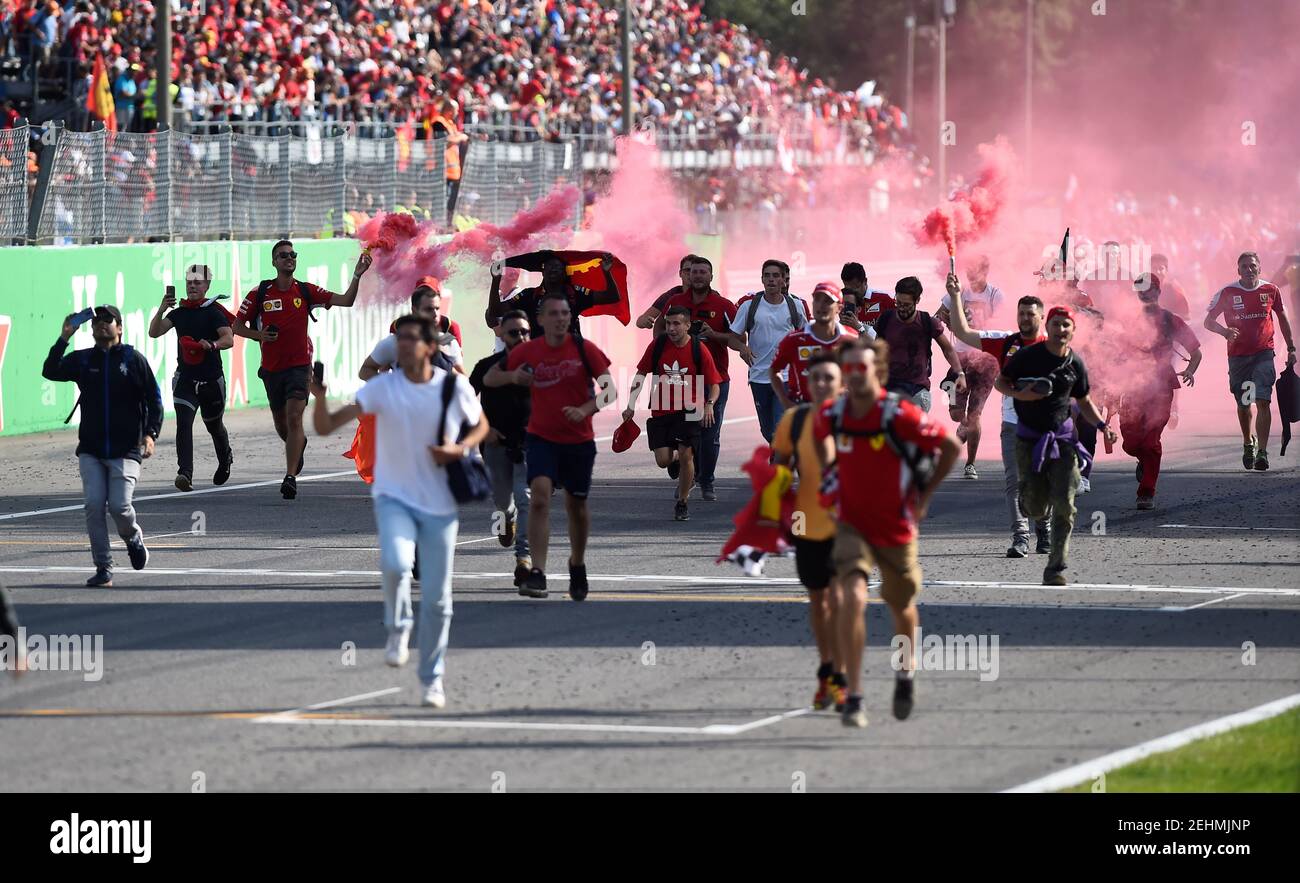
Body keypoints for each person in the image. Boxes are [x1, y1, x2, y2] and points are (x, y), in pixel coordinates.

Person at [310, 314, 488, 709]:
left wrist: (459, 449)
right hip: (394, 497)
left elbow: (480, 425)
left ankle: (432, 679)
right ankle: (398, 627)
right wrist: (319, 396)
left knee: (440, 600)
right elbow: (326, 427)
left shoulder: (452, 387)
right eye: (400, 339)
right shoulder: (383, 388)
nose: (403, 345)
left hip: (440, 503)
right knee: (395, 563)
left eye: (411, 339)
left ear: (429, 347)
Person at [814, 339, 960, 728]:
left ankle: (905, 673)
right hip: (851, 525)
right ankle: (854, 696)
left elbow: (949, 446)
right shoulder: (832, 414)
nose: (856, 375)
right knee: (850, 598)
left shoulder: (900, 413)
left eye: (863, 368)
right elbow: (824, 453)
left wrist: (924, 498)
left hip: (896, 525)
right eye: (850, 369)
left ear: (877, 370)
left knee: (901, 605)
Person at [485, 294, 613, 601]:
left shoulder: (585, 349)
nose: (560, 318)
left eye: (565, 313)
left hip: (578, 440)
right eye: (553, 313)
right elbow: (490, 378)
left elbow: (610, 392)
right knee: (539, 498)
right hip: (541, 439)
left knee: (576, 506)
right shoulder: (529, 351)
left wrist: (584, 410)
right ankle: (538, 573)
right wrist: (512, 375)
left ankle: (577, 563)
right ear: (540, 320)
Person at [232, 240, 372, 500]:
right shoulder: (260, 293)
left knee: (295, 417)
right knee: (282, 424)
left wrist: (357, 275)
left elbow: (346, 300)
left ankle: (290, 477)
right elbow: (236, 327)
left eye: (292, 254)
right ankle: (298, 446)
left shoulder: (305, 291)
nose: (289, 258)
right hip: (272, 368)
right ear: (274, 262)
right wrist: (259, 335)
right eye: (283, 255)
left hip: (300, 365)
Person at [995, 307, 1117, 586]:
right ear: (1047, 327)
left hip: (1062, 440)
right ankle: (1035, 506)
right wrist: (1019, 394)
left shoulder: (1076, 364)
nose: (1061, 329)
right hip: (1027, 440)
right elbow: (1000, 381)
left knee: (1066, 503)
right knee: (1036, 506)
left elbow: (1084, 401)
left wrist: (1103, 427)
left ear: (1073, 331)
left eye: (1066, 325)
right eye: (1056, 324)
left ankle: (1056, 566)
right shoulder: (1027, 357)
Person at [42, 305, 163, 587]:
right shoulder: (84, 360)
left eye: (107, 320)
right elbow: (50, 371)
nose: (101, 324)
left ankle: (133, 537)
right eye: (96, 321)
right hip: (91, 449)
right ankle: (103, 568)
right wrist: (64, 337)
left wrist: (150, 435)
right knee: (94, 506)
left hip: (127, 449)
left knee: (120, 507)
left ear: (120, 327)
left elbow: (154, 400)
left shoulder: (134, 360)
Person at [943, 275, 1051, 558]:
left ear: (1041, 317)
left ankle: (1045, 525)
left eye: (1031, 314)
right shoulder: (1005, 342)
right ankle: (1020, 538)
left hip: (1044, 426)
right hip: (1013, 425)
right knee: (1014, 482)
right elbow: (963, 332)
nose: (1025, 318)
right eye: (1022, 313)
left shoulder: (1053, 347)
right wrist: (955, 296)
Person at [772, 351, 848, 712]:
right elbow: (780, 470)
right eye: (814, 378)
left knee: (838, 600)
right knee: (819, 602)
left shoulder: (857, 421)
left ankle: (841, 677)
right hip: (807, 524)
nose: (820, 385)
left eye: (828, 379)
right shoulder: (795, 421)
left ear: (842, 383)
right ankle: (827, 668)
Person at [622, 305, 721, 521]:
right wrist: (630, 404)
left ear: (687, 325)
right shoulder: (657, 345)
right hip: (661, 409)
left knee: (687, 455)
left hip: (690, 409)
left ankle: (682, 502)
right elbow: (640, 375)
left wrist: (709, 404)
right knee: (662, 460)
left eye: (677, 323)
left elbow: (715, 384)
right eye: (668, 323)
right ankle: (675, 457)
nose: (672, 328)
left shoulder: (698, 348)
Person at [1203, 251, 1296, 471]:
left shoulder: (1271, 290)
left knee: (1263, 400)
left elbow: (1282, 318)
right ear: (1238, 270)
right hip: (1239, 358)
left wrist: (1291, 347)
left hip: (1264, 354)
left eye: (1252, 265)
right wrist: (1225, 332)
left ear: (1259, 268)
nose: (1249, 269)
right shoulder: (1227, 292)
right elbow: (1208, 322)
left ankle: (1262, 452)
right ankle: (1248, 442)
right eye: (1244, 266)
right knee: (1245, 404)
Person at [1116, 274, 1202, 509]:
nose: (1145, 293)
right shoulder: (1128, 320)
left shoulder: (1170, 320)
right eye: (1140, 290)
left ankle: (1146, 491)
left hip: (1162, 387)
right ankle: (1143, 460)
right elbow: (1117, 355)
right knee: (1131, 442)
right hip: (1132, 387)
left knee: (1151, 441)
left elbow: (1196, 351)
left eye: (1149, 289)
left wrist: (1190, 371)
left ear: (1157, 292)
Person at [147, 264, 234, 492]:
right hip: (185, 379)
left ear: (207, 286)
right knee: (183, 424)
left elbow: (229, 339)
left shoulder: (214, 312)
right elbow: (154, 332)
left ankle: (225, 459)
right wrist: (161, 309)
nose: (193, 286)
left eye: (198, 282)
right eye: (189, 282)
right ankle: (185, 473)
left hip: (212, 382)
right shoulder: (179, 313)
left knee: (214, 426)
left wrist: (212, 345)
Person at [656, 256, 737, 500]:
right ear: (688, 275)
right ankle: (686, 470)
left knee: (709, 435)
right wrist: (661, 350)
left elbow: (737, 339)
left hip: (715, 380)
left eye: (704, 272)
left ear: (711, 276)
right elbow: (659, 327)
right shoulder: (675, 301)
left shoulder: (724, 305)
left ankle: (706, 481)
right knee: (687, 434)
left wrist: (714, 335)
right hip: (681, 381)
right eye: (695, 272)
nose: (699, 276)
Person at [469, 310, 534, 588]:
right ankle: (507, 520)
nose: (520, 337)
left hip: (529, 444)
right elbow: (463, 403)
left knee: (526, 499)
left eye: (524, 332)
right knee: (502, 503)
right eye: (513, 332)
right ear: (502, 335)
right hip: (495, 444)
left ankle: (524, 560)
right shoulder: (486, 367)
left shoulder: (542, 366)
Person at [729, 259, 812, 443]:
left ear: (784, 280)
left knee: (778, 429)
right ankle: (779, 453)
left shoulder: (795, 305)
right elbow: (732, 337)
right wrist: (742, 347)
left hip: (785, 377)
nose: (771, 280)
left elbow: (806, 337)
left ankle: (779, 465)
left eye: (776, 276)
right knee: (767, 431)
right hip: (759, 376)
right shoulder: (749, 306)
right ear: (762, 279)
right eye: (767, 276)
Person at [936, 255, 1003, 479]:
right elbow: (938, 315)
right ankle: (962, 427)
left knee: (975, 415)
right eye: (969, 272)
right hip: (961, 360)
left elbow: (1003, 323)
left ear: (986, 272)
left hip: (985, 363)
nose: (972, 277)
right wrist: (949, 320)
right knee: (957, 414)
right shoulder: (959, 292)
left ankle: (970, 464)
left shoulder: (995, 295)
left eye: (977, 272)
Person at [873, 276, 965, 413]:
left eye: (907, 305)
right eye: (898, 303)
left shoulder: (927, 322)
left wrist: (959, 373)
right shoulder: (886, 319)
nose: (902, 308)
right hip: (889, 387)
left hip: (917, 389)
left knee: (913, 431)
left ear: (917, 301)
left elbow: (948, 350)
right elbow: (876, 351)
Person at [487, 251, 620, 339]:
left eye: (557, 268)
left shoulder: (575, 293)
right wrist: (496, 280)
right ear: (543, 273)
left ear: (564, 273)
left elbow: (612, 297)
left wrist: (606, 273)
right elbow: (495, 311)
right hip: (539, 359)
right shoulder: (529, 295)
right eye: (549, 267)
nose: (553, 270)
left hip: (571, 358)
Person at [770, 281, 860, 409]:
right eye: (817, 300)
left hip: (840, 409)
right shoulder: (794, 340)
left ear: (839, 308)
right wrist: (785, 401)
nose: (821, 305)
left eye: (827, 301)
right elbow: (774, 370)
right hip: (803, 407)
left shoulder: (852, 339)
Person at [359, 283, 465, 380]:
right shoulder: (393, 342)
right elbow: (365, 371)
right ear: (414, 310)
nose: (435, 314)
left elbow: (462, 378)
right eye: (428, 309)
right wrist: (391, 388)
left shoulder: (448, 341)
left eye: (437, 308)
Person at [635, 254, 698, 330]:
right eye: (687, 270)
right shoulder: (671, 295)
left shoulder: (711, 295)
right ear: (680, 273)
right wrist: (645, 321)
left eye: (694, 271)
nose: (690, 273)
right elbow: (639, 322)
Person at [840, 261, 895, 332]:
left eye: (856, 287)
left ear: (865, 281)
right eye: (848, 288)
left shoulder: (883, 298)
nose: (852, 291)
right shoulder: (841, 300)